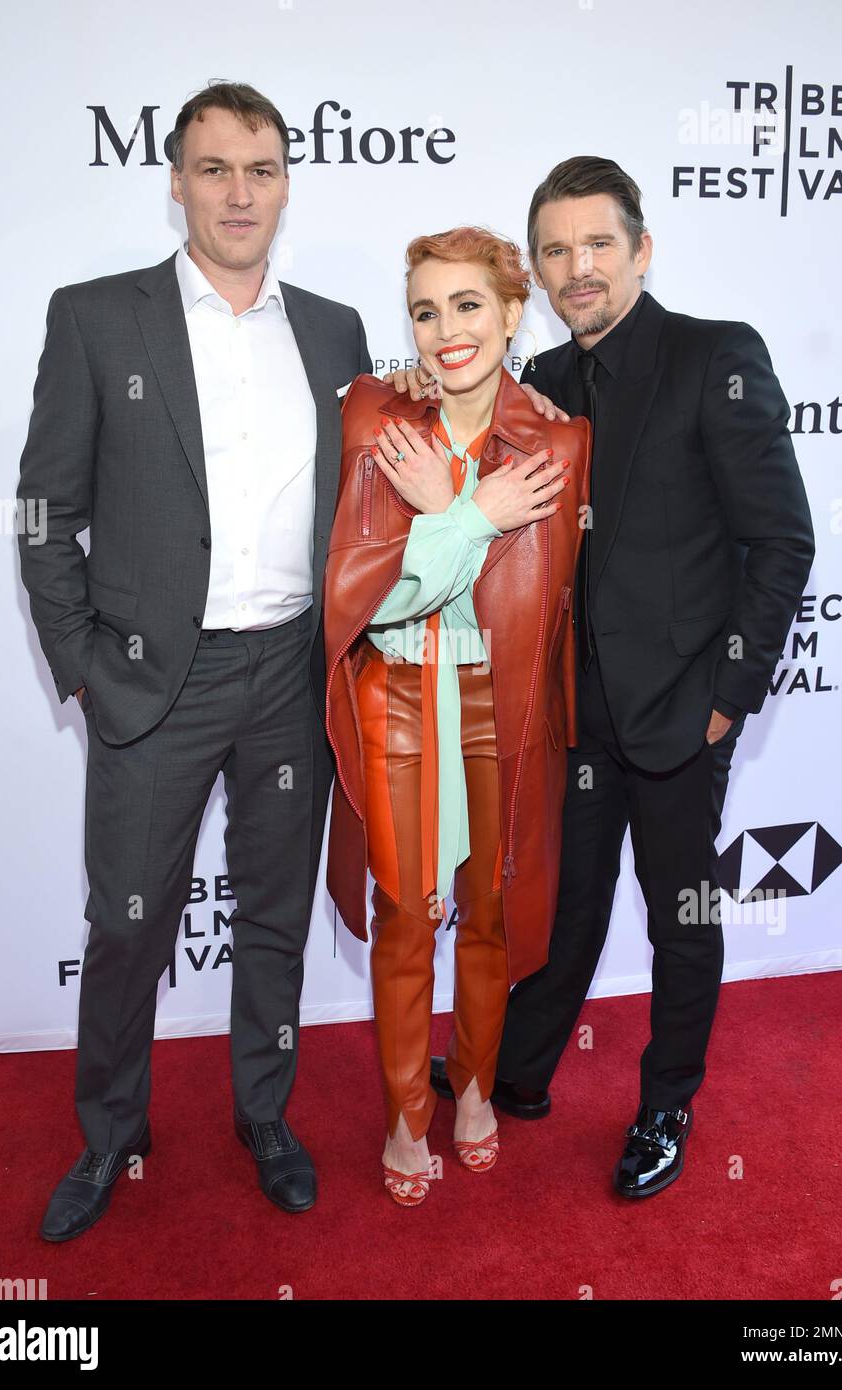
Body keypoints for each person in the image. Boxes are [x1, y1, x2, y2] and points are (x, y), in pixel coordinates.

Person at [392, 157, 816, 1199]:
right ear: (535, 269)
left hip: (683, 709)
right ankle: (520, 1073)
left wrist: (728, 695)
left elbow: (782, 542)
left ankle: (666, 1103)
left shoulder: (716, 355)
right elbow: (460, 429)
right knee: (560, 900)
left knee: (682, 919)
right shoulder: (546, 385)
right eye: (554, 249)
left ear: (640, 249)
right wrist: (416, 380)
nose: (576, 267)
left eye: (596, 244)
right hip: (572, 712)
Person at [16, 81, 372, 1240]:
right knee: (129, 924)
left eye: (260, 170)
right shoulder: (95, 317)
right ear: (174, 181)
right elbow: (41, 511)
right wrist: (78, 660)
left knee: (273, 916)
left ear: (286, 186)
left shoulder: (333, 330)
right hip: (150, 681)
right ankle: (112, 1132)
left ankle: (263, 1116)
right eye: (214, 169)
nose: (238, 192)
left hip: (288, 673)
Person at [323, 227, 590, 1204]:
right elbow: (369, 599)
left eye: (468, 305)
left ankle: (471, 1090)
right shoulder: (374, 416)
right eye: (426, 311)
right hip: (396, 695)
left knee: (489, 917)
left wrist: (450, 514)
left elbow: (541, 604)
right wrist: (469, 513)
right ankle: (404, 1112)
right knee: (404, 920)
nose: (446, 331)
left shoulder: (561, 440)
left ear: (513, 313)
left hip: (505, 704)